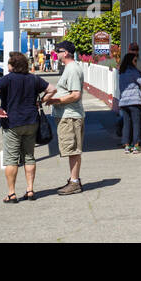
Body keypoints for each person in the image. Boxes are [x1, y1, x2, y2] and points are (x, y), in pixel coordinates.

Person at [0, 51, 49, 203]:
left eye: (9, 63)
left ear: (12, 65)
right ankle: (30, 190)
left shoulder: (7, 79)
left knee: (11, 159)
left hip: (12, 123)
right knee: (29, 156)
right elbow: (52, 89)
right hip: (31, 122)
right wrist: (41, 101)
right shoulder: (33, 79)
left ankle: (11, 193)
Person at [44, 39, 86, 195]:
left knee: (73, 149)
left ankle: (74, 182)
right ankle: (73, 179)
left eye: (58, 51)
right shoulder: (69, 68)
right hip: (67, 115)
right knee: (71, 149)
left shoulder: (73, 69)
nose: (56, 54)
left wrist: (56, 100)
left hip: (70, 116)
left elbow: (75, 95)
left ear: (66, 52)